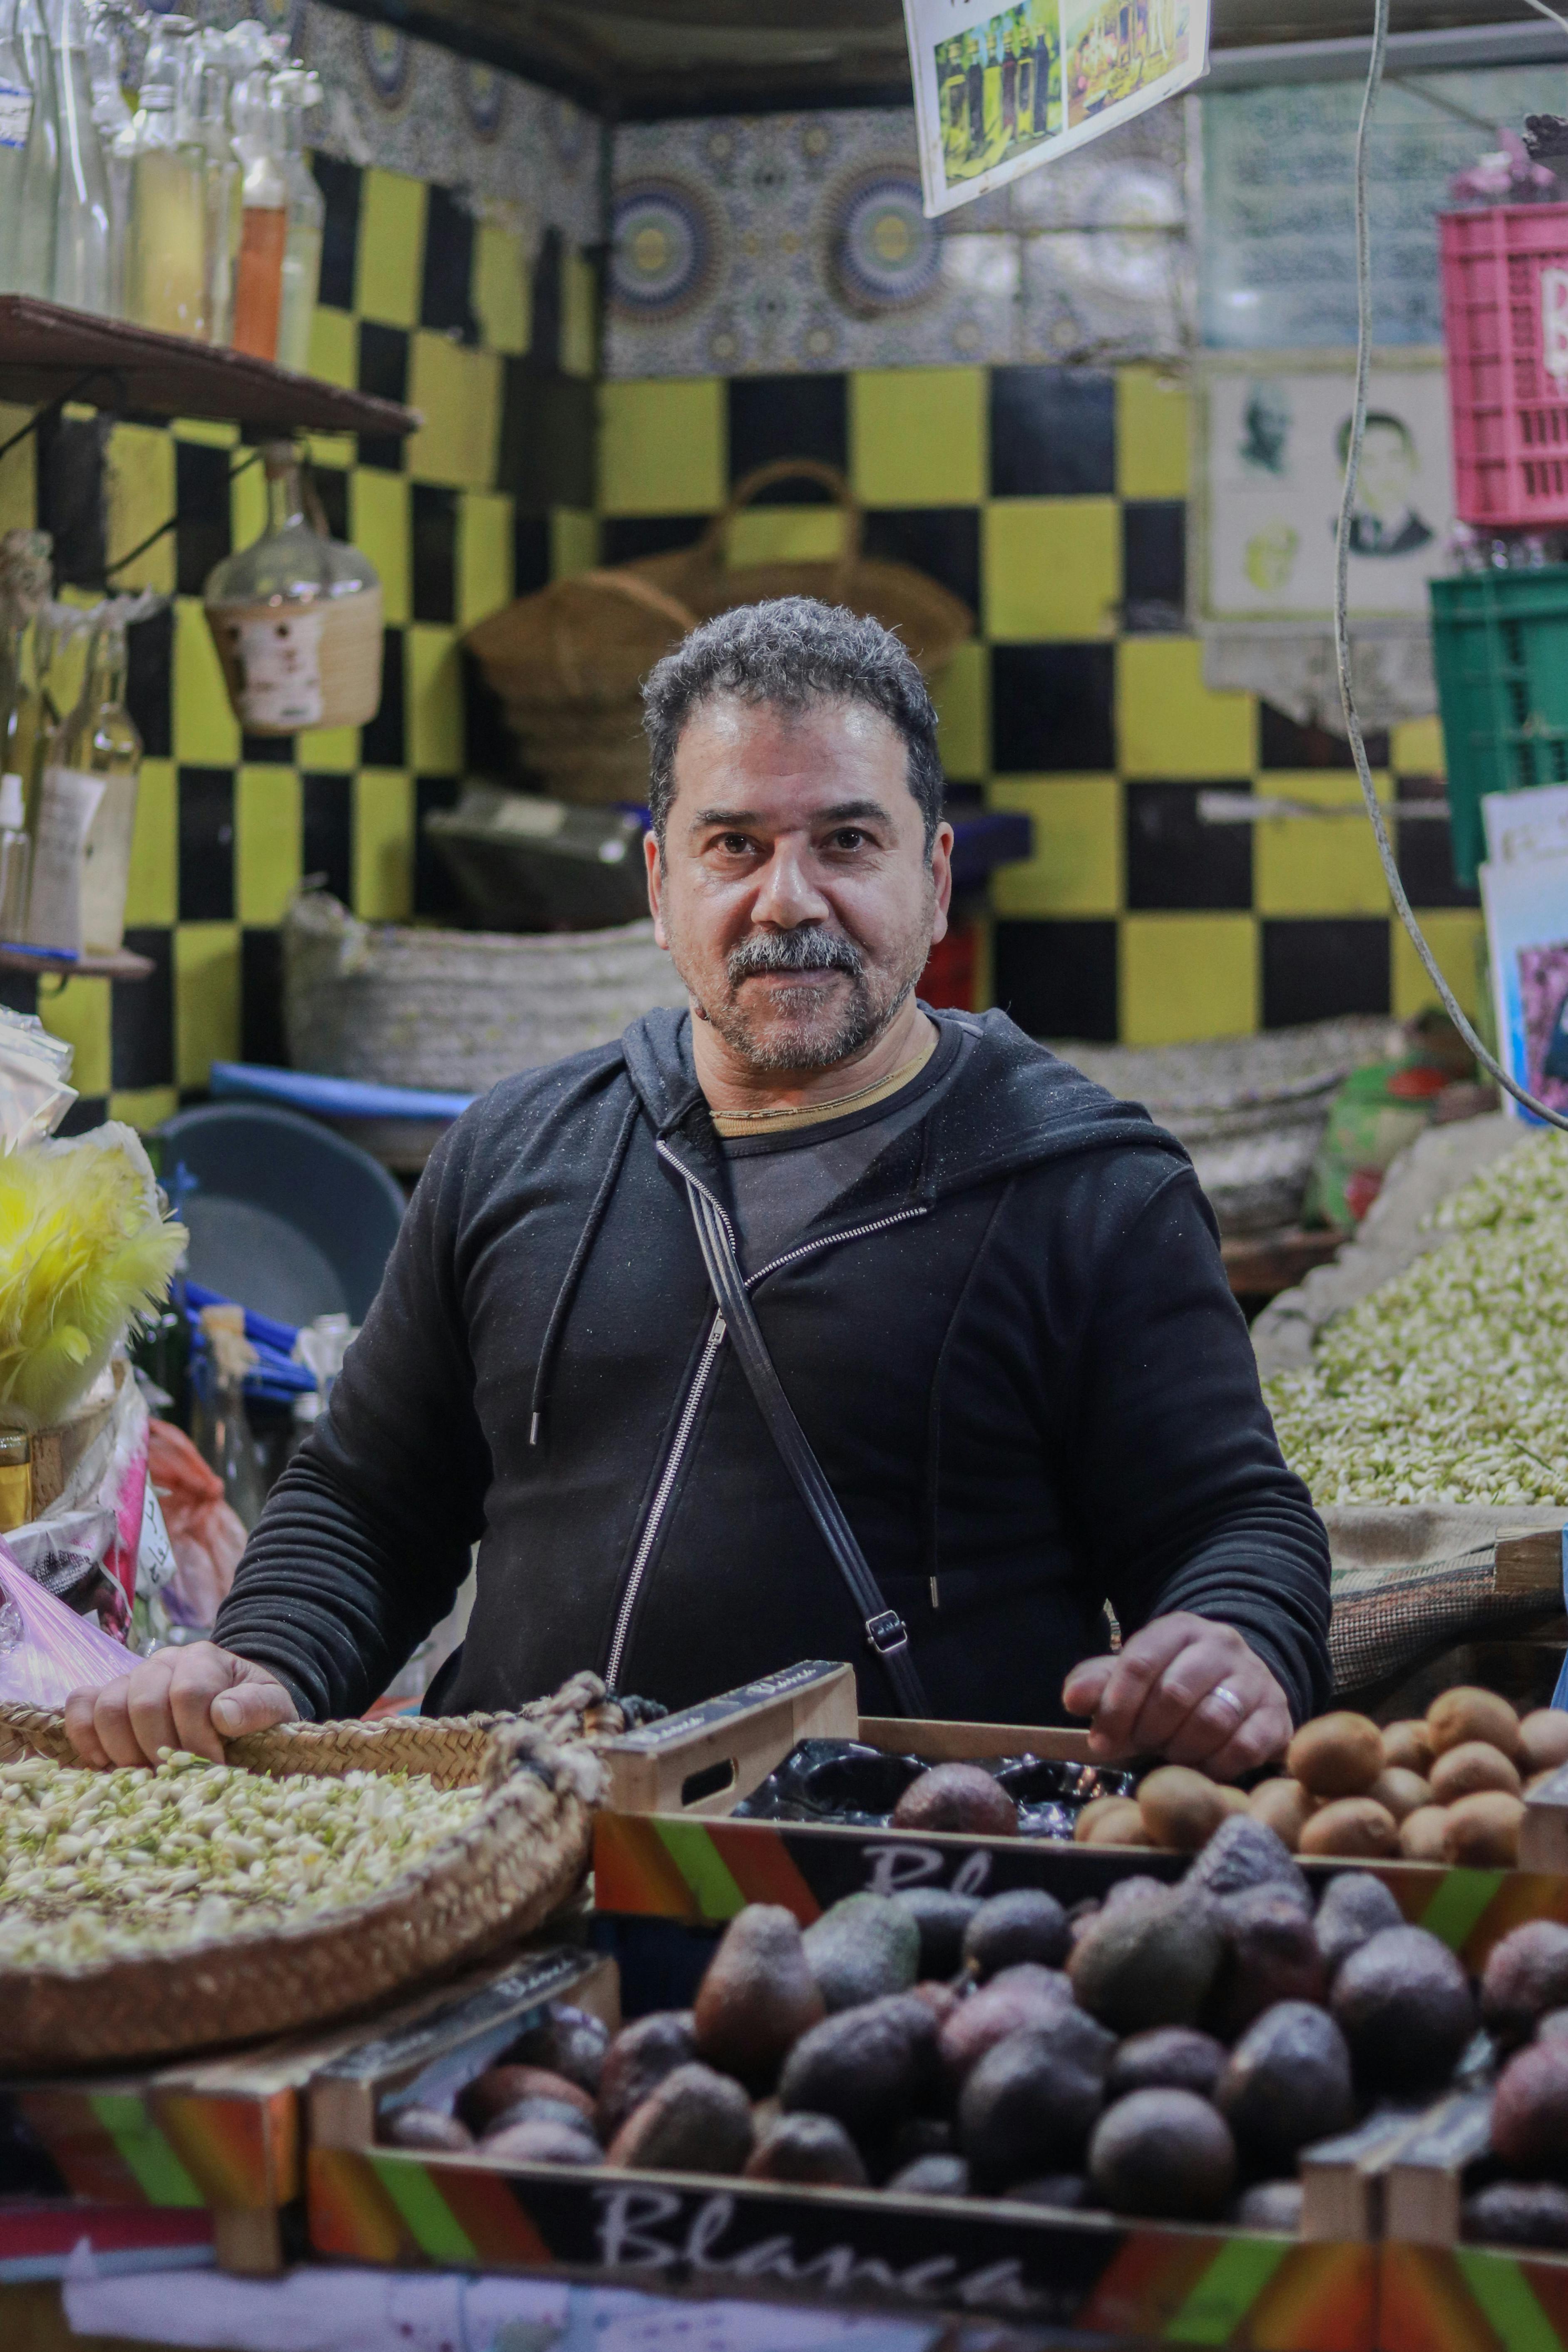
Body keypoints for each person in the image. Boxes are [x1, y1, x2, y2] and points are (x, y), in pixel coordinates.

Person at [66, 599, 1330, 1780]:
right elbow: (365, 1499)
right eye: (734, 845)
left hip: (920, 1878)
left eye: (846, 839)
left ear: (934, 877)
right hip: (523, 1856)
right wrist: (266, 1657)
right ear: (659, 884)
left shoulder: (1091, 1187)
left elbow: (1232, 1522)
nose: (787, 898)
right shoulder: (514, 1151)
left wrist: (1232, 1639)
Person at [1338, 411, 1434, 557]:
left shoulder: (1425, 536)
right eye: (1369, 461)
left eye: (1395, 457)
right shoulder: (1343, 534)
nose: (1385, 473)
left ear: (1413, 462)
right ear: (1346, 472)